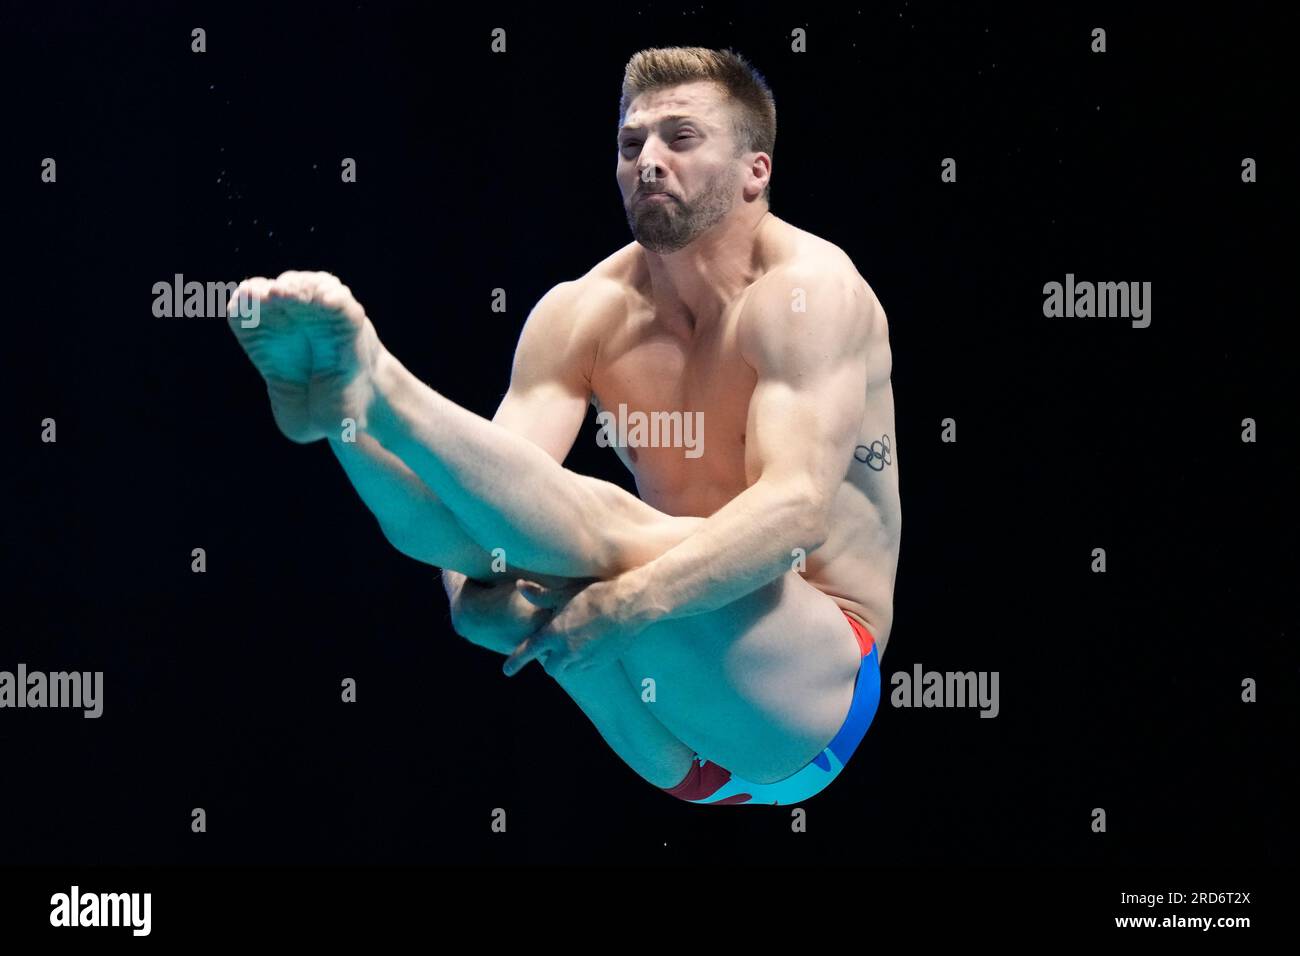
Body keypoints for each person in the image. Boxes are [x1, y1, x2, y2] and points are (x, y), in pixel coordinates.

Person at [227, 47, 901, 806]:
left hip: (807, 696)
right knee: (505, 532)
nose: (647, 160)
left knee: (608, 523)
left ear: (756, 171)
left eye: (680, 138)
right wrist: (471, 600)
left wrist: (629, 602)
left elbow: (795, 514)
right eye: (630, 143)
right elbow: (480, 509)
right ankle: (344, 419)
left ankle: (376, 385)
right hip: (657, 715)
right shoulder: (579, 312)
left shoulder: (811, 294)